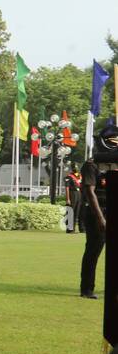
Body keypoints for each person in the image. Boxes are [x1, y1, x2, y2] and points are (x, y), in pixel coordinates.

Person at [79, 127, 118, 299]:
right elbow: (90, 192)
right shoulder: (91, 164)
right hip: (98, 211)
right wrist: (100, 218)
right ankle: (87, 289)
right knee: (94, 251)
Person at [65, 164, 82, 234]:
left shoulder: (79, 177)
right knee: (71, 211)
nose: (76, 169)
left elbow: (81, 184)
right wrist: (68, 198)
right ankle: (69, 229)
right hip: (72, 194)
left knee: (76, 212)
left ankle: (73, 229)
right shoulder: (68, 177)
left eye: (77, 168)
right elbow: (67, 188)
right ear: (72, 169)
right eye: (75, 168)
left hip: (79, 194)